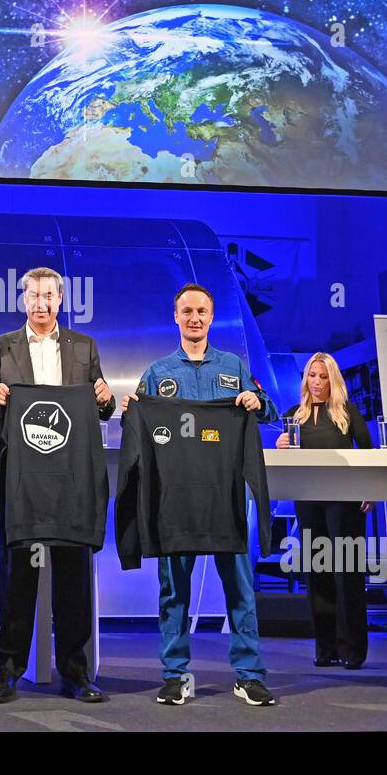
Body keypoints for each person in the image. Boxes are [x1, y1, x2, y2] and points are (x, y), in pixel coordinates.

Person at [122, 283, 280, 707]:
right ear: (176, 317)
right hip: (174, 500)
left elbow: (270, 410)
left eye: (202, 311)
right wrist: (130, 411)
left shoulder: (234, 366)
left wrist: (254, 399)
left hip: (227, 496)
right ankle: (175, 673)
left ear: (211, 317)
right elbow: (135, 424)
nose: (194, 318)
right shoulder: (158, 373)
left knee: (241, 587)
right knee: (173, 588)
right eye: (187, 311)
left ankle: (248, 674)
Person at [0, 266, 116, 703]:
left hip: (70, 479)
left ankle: (76, 672)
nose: (41, 303)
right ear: (23, 299)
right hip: (21, 478)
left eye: (49, 296)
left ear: (61, 299)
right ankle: (7, 671)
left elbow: (102, 408)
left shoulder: (84, 347)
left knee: (74, 574)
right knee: (16, 573)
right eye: (33, 295)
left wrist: (106, 398)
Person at [275, 352, 375, 669]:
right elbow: (289, 463)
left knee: (347, 574)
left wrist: (370, 489)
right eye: (312, 376)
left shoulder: (347, 412)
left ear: (333, 379)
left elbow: (369, 454)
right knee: (318, 574)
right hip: (308, 502)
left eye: (323, 376)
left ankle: (352, 649)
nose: (317, 382)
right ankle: (326, 648)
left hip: (345, 501)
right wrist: (281, 446)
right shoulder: (295, 415)